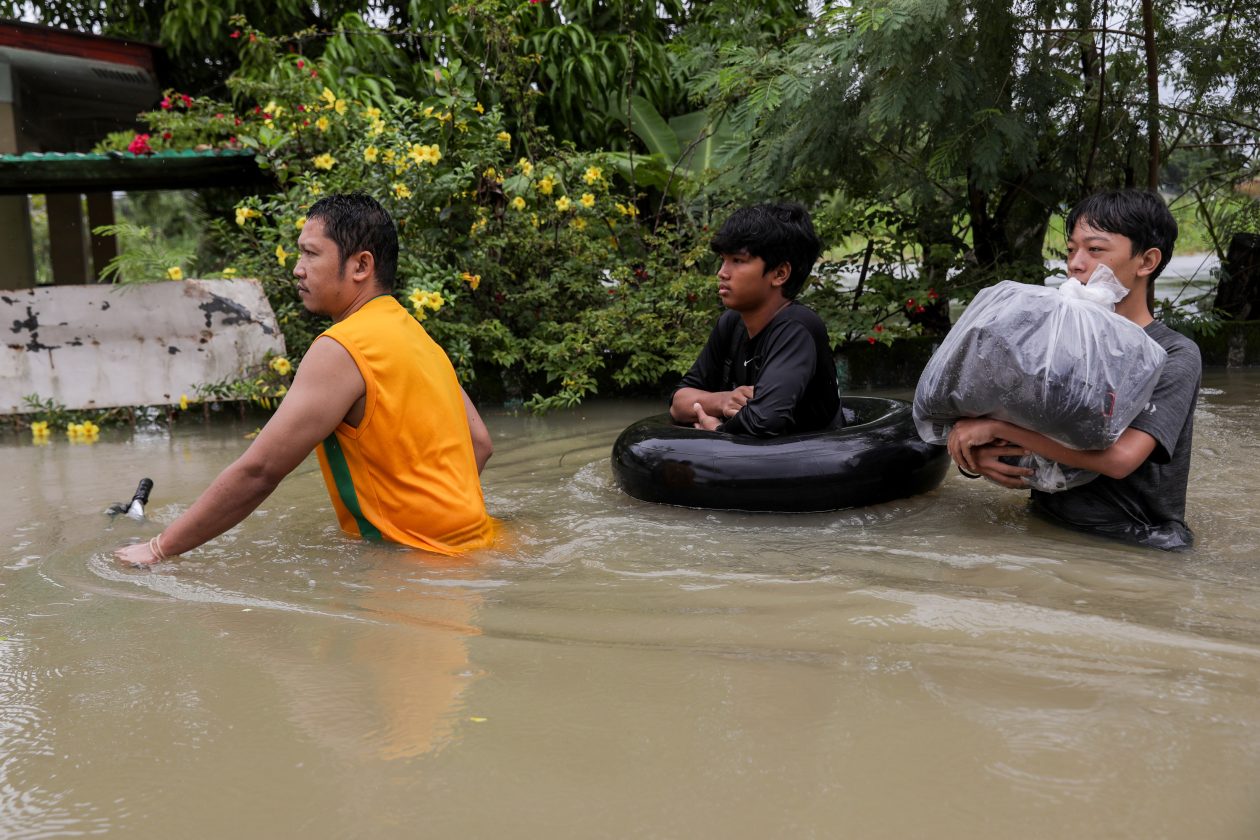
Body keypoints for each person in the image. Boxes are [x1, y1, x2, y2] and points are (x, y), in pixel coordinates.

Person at [116, 193, 496, 565]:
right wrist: (440, 520)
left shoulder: (341, 348)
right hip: (480, 546)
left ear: (361, 266)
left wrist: (158, 548)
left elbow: (259, 472)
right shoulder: (418, 336)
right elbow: (479, 444)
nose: (298, 268)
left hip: (419, 571)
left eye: (311, 254)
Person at [947, 189, 1201, 550]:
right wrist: (975, 457)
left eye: (1095, 250)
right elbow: (1004, 422)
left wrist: (997, 429)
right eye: (1071, 250)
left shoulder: (1173, 353)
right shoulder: (1055, 342)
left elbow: (1120, 460)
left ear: (1146, 261)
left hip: (1135, 541)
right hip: (1046, 525)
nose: (1076, 264)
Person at [670, 202, 840, 436]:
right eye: (723, 259)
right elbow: (678, 403)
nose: (722, 272)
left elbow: (763, 421)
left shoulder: (796, 328)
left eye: (737, 261)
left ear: (780, 273)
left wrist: (716, 429)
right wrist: (723, 401)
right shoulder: (731, 323)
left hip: (811, 455)